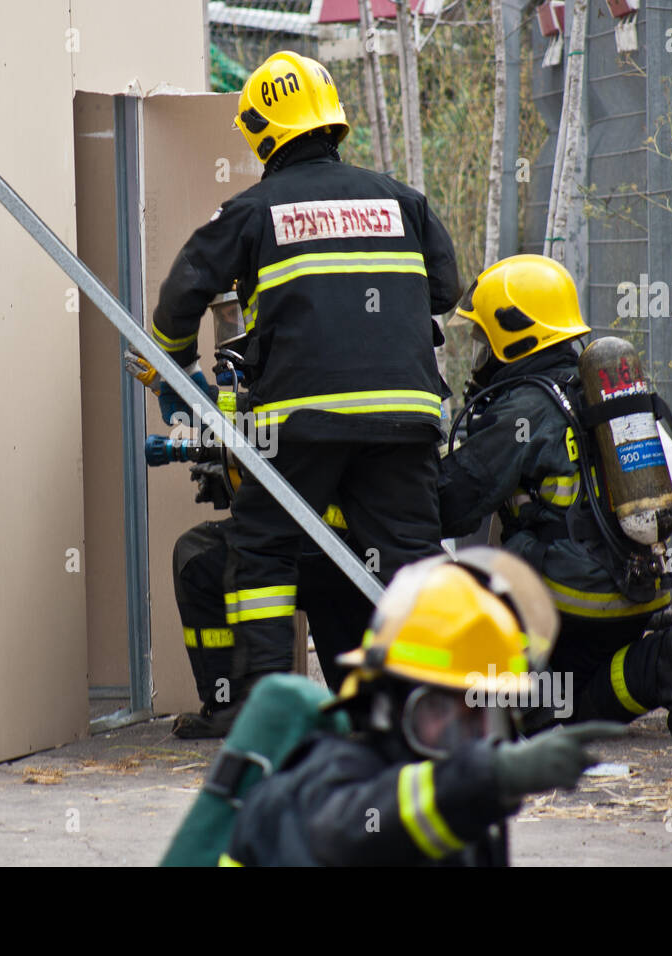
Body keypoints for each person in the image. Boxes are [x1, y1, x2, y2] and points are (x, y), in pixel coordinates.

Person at [150, 50, 462, 720]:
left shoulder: (251, 209)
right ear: (333, 124)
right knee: (411, 558)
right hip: (406, 417)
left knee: (265, 548)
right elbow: (447, 289)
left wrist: (175, 369)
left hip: (300, 424)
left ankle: (267, 710)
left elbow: (179, 297)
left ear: (264, 131)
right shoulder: (403, 201)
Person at [435, 254, 672, 740]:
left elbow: (451, 503)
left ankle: (536, 701)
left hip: (573, 598)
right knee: (582, 690)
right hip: (633, 587)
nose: (480, 357)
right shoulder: (595, 388)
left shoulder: (525, 405)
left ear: (515, 334)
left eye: (484, 342)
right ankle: (653, 664)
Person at [218, 548, 625, 866]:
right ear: (386, 708)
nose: (470, 743)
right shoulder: (318, 786)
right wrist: (491, 774)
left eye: (484, 717)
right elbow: (354, 829)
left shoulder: (459, 813)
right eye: (442, 713)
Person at [170, 506, 373, 738]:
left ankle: (241, 706)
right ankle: (359, 705)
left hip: (342, 546)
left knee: (203, 556)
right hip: (361, 548)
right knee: (359, 711)